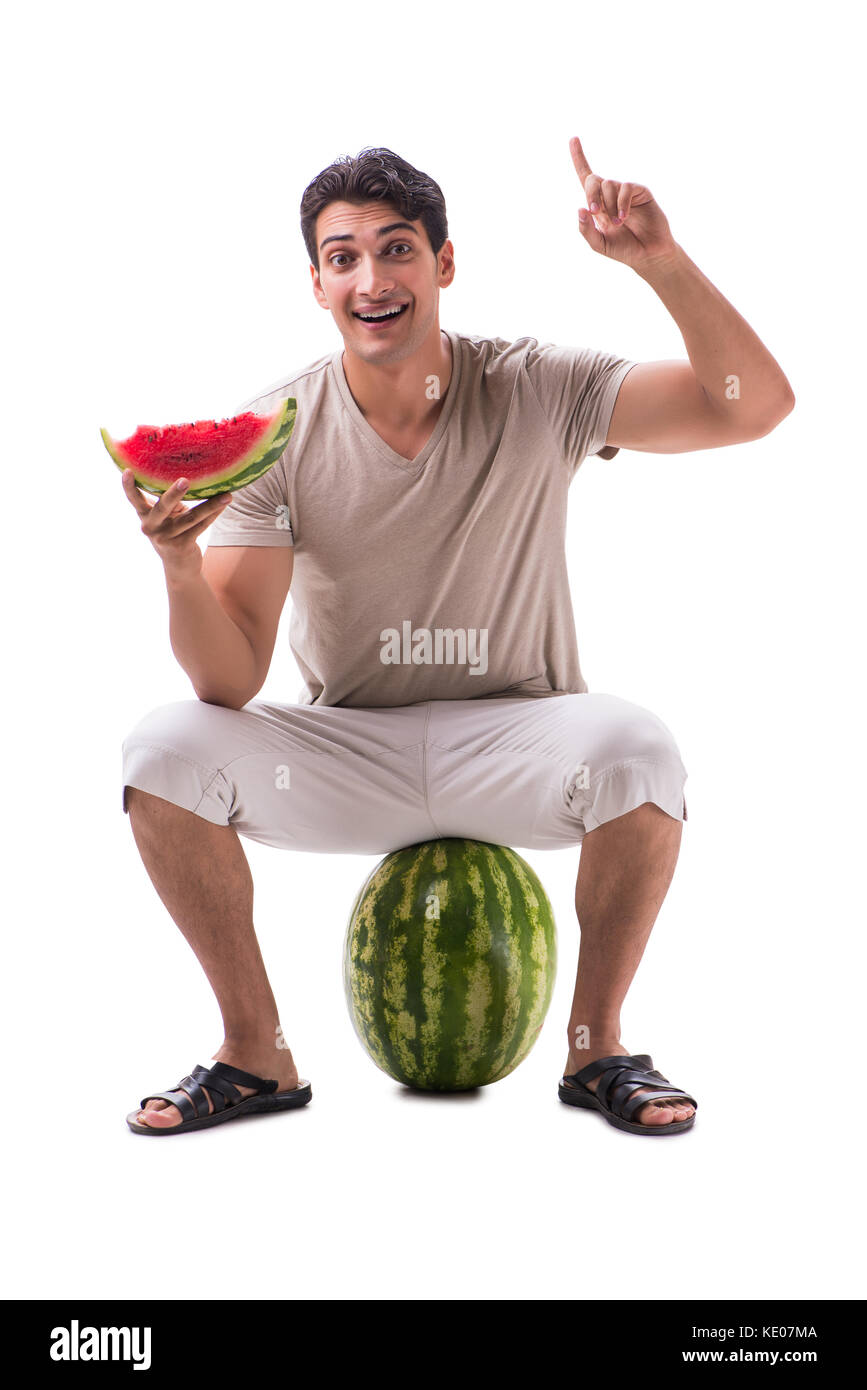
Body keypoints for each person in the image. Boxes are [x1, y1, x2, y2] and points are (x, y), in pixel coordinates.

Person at [120, 140, 794, 1137]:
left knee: (641, 750)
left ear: (444, 264)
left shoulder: (537, 385)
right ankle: (255, 1052)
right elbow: (229, 679)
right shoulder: (275, 426)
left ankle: (596, 1046)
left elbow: (751, 408)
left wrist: (661, 264)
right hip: (352, 752)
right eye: (342, 257)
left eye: (397, 250)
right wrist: (178, 563)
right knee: (162, 749)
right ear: (316, 284)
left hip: (519, 743)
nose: (372, 278)